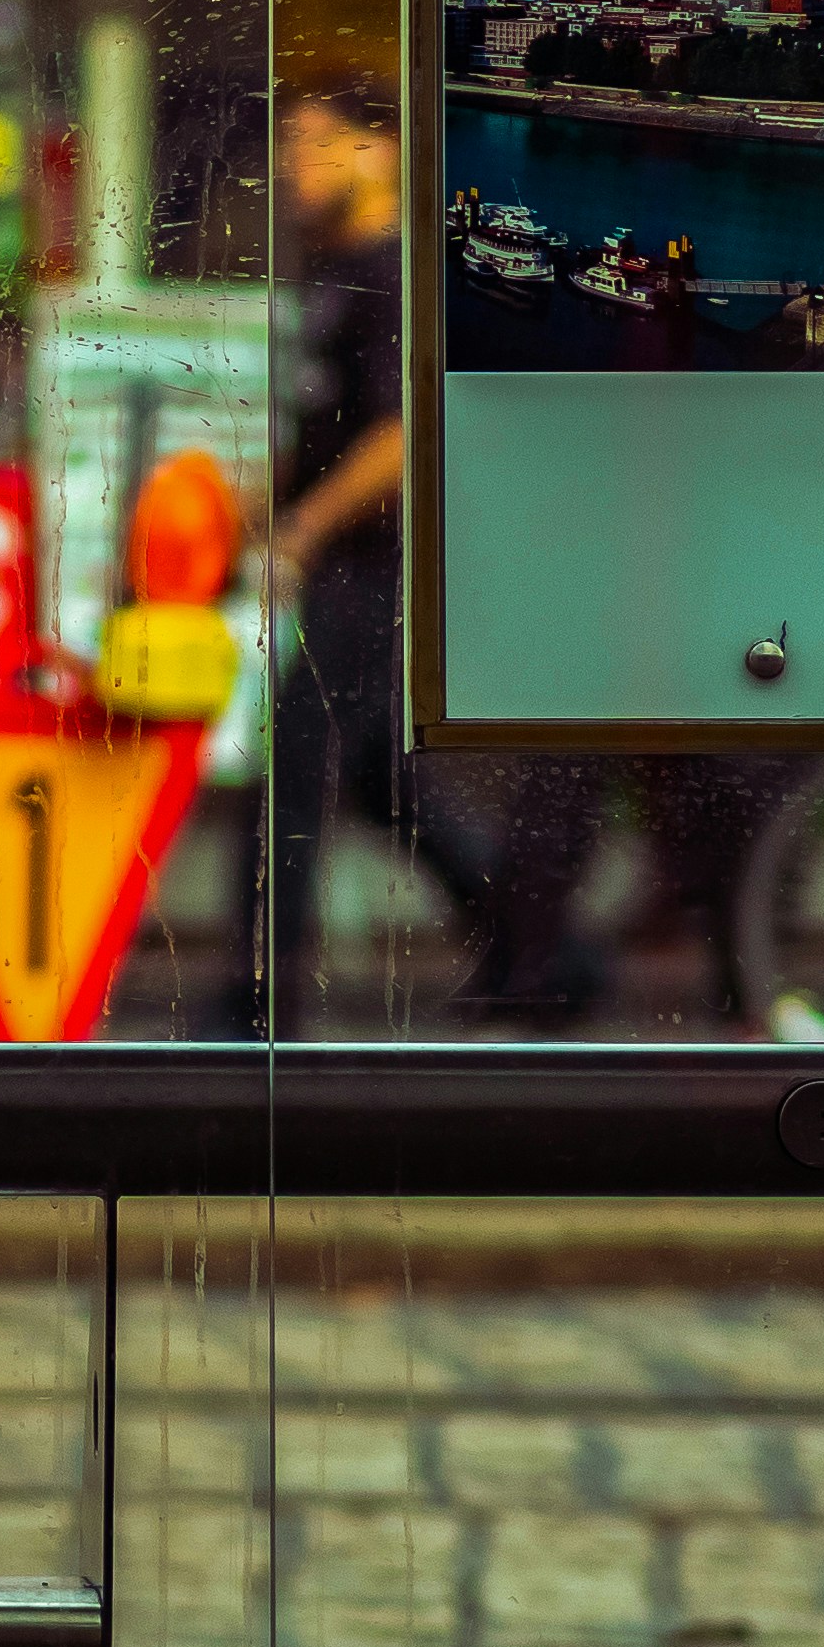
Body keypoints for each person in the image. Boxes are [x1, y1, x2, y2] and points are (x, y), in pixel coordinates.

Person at [242, 81, 607, 1034]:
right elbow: (328, 427)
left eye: (312, 140)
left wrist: (305, 526)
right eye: (287, 143)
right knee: (372, 778)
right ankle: (541, 945)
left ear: (379, 150)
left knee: (296, 764)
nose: (290, 164)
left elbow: (404, 435)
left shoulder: (402, 269)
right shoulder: (331, 270)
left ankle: (261, 1005)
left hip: (386, 561)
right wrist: (251, 507)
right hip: (348, 557)